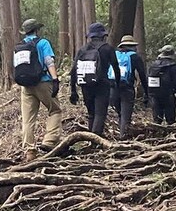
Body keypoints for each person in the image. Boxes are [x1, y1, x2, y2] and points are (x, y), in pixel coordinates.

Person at [13, 18, 62, 161]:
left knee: (28, 120)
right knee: (55, 110)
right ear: (37, 30)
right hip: (43, 83)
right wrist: (55, 79)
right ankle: (49, 141)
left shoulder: (19, 46)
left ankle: (30, 151)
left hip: (26, 86)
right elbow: (49, 61)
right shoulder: (42, 43)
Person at [70, 22, 121, 136]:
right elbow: (116, 68)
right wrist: (116, 84)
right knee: (100, 113)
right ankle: (95, 139)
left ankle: (91, 139)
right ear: (103, 36)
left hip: (85, 84)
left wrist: (73, 90)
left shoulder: (82, 50)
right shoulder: (107, 49)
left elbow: (74, 70)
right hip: (102, 84)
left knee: (91, 114)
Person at [114, 35, 148, 139]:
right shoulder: (134, 56)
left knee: (120, 113)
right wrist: (147, 91)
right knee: (126, 115)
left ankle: (121, 134)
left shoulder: (115, 55)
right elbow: (142, 74)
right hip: (127, 88)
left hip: (113, 88)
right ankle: (123, 138)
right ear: (132, 46)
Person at [146, 44, 176, 125]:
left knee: (157, 119)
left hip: (154, 95)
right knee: (170, 120)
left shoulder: (153, 66)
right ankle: (170, 134)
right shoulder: (173, 67)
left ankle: (157, 133)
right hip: (168, 94)